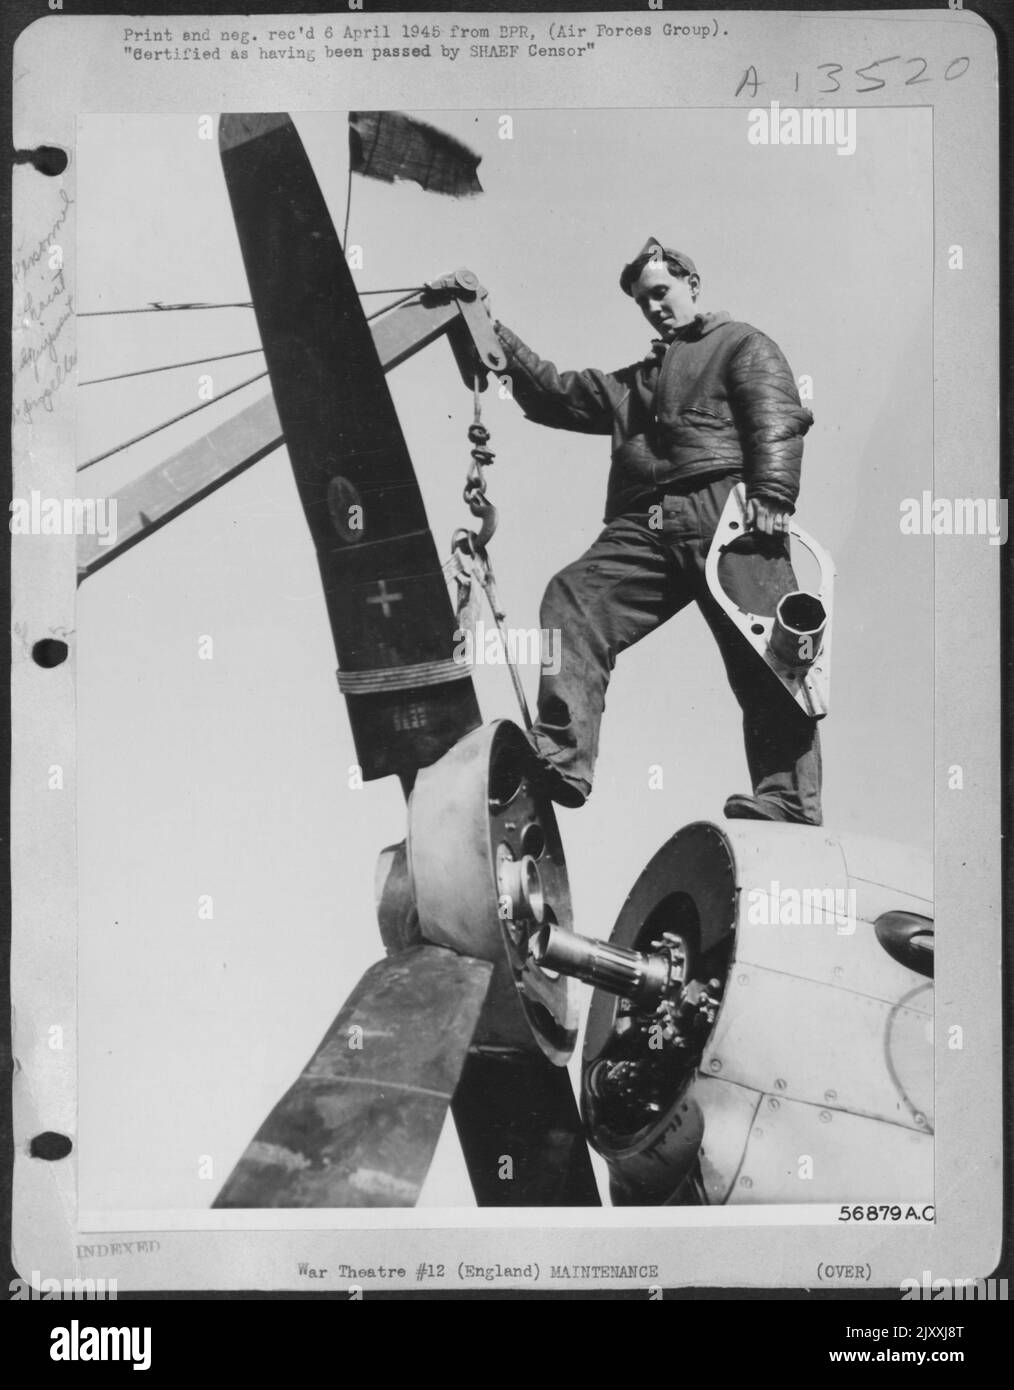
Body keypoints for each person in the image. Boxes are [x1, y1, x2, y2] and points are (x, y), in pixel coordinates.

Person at [488, 236, 822, 824]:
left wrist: (772, 491)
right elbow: (549, 393)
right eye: (643, 301)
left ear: (692, 285)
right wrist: (480, 326)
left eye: (661, 292)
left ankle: (788, 801)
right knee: (574, 598)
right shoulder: (630, 385)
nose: (654, 307)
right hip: (645, 523)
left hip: (726, 510)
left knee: (768, 652)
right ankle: (562, 757)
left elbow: (775, 409)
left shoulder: (738, 343)